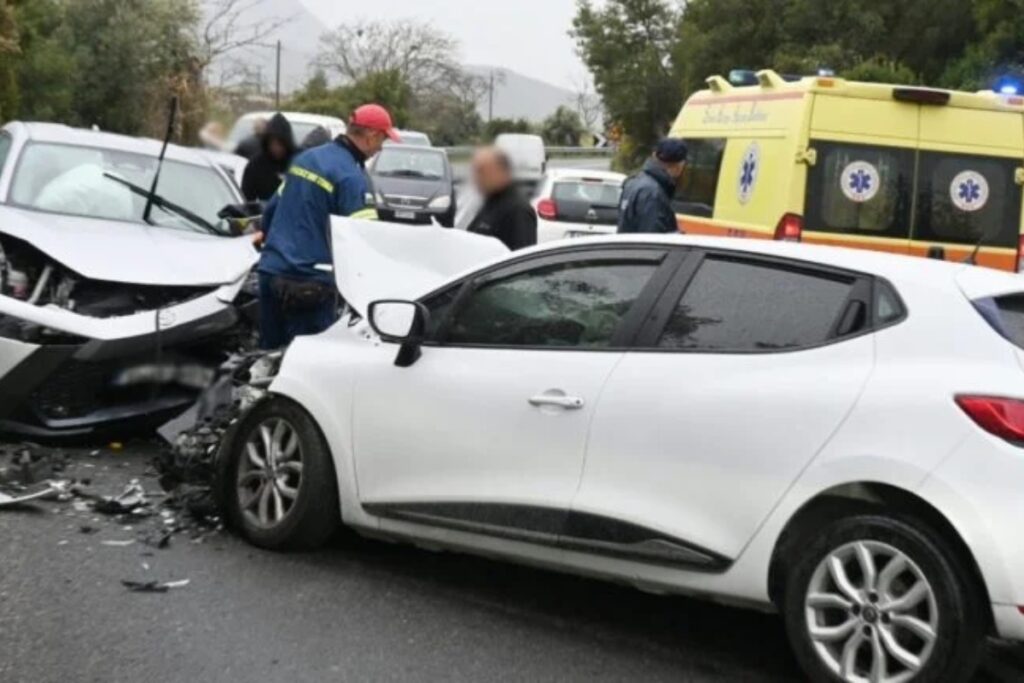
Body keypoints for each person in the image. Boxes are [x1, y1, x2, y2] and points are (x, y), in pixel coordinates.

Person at [257, 104, 400, 350]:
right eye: (383, 140)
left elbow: (271, 211)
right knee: (308, 365)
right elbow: (364, 240)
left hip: (270, 273)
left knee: (266, 355)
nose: (381, 148)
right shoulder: (351, 177)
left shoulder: (306, 159)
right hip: (309, 285)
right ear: (371, 135)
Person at [466, 147, 537, 250]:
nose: (477, 178)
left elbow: (521, 260)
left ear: (501, 172)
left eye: (482, 172)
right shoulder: (491, 202)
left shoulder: (518, 210)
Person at [618, 138, 688, 234]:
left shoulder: (633, 182)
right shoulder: (653, 194)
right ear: (679, 166)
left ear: (654, 156)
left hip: (626, 247)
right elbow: (652, 240)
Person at [241, 113, 296, 202]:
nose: (276, 148)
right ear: (266, 142)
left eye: (280, 144)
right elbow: (247, 200)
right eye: (272, 143)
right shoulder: (256, 165)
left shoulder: (298, 161)